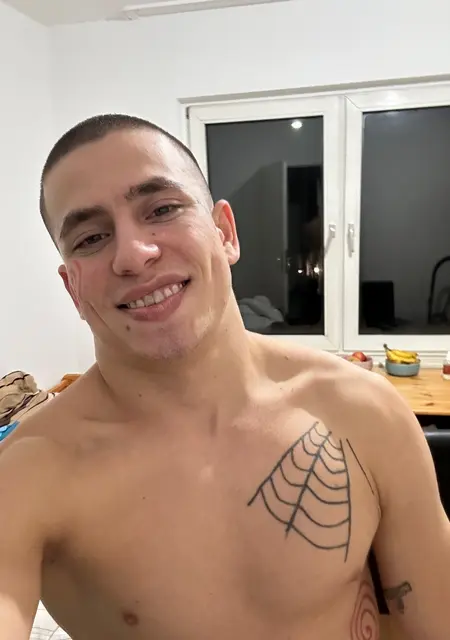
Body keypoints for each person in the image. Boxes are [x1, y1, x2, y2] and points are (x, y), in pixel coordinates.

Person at [0, 114, 449, 640]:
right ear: (72, 289)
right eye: (92, 238)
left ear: (225, 233)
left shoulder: (364, 410)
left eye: (162, 209)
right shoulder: (30, 474)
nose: (134, 255)